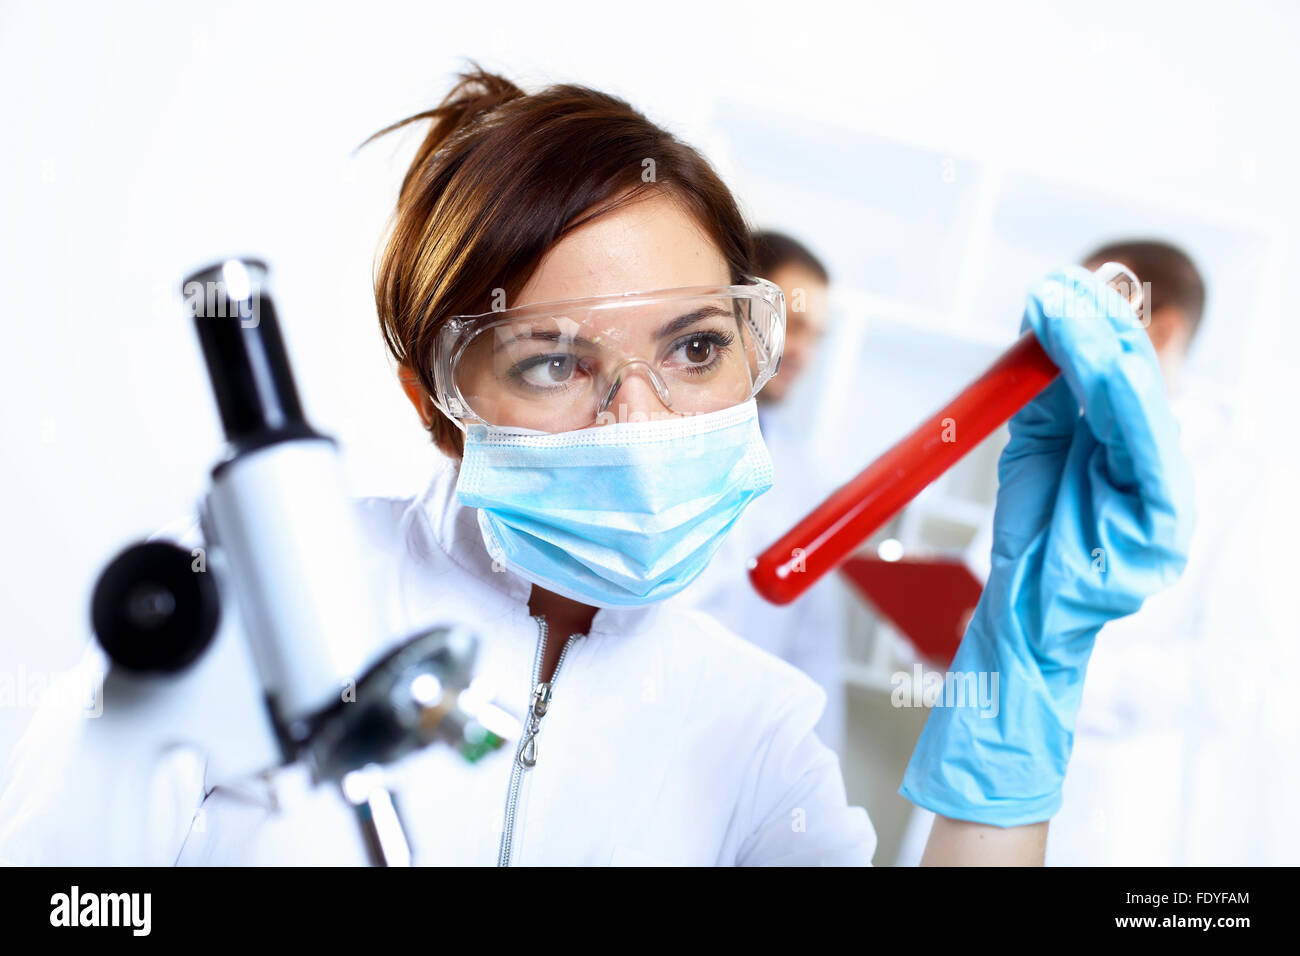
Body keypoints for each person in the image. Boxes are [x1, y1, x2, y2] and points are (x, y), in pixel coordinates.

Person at [0, 67, 1192, 866]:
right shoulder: (259, 607)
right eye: (556, 361)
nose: (640, 416)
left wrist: (1022, 678)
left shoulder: (755, 724)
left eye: (695, 345)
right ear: (438, 397)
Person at [671, 231, 851, 755]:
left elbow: (815, 645)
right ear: (731, 307)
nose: (803, 353)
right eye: (793, 326)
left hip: (737, 751)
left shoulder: (807, 479)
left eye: (817, 335)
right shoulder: (655, 431)